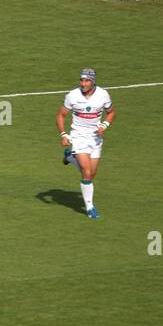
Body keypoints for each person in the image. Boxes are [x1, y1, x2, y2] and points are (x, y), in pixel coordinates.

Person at [57, 68, 115, 220]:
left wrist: (104, 125)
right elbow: (61, 115)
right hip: (78, 137)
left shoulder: (103, 95)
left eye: (87, 81)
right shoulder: (72, 96)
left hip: (95, 138)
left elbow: (111, 113)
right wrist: (63, 134)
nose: (83, 83)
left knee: (91, 174)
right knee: (87, 173)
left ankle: (70, 158)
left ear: (93, 82)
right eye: (81, 80)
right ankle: (90, 208)